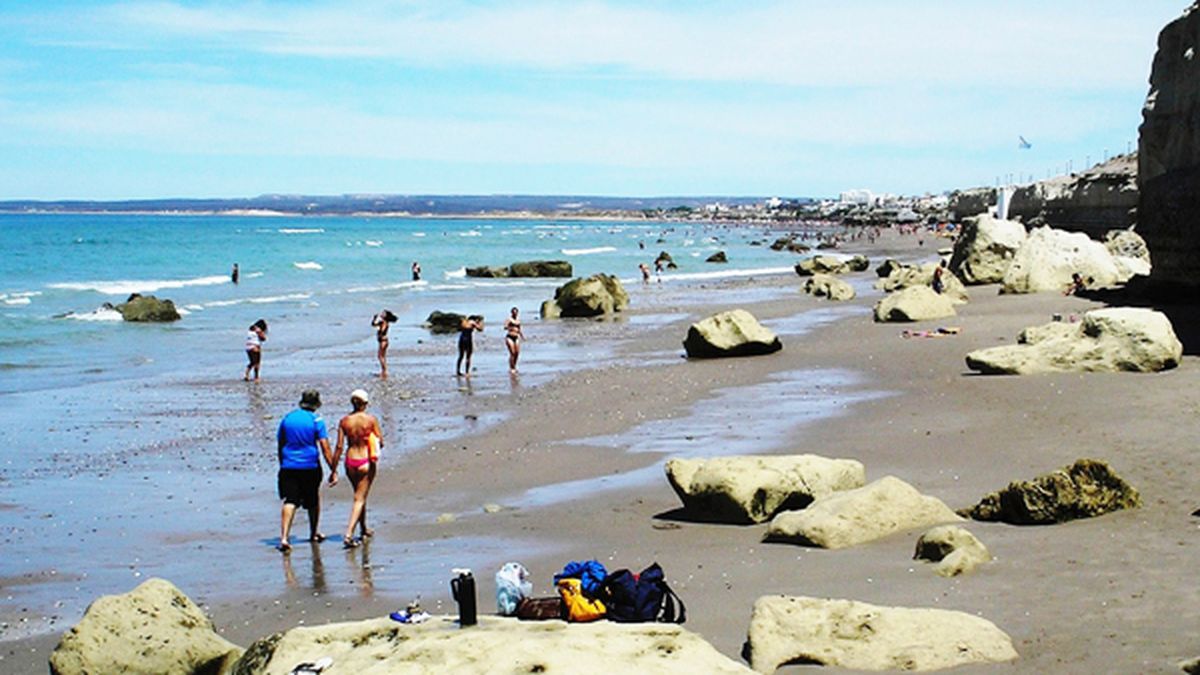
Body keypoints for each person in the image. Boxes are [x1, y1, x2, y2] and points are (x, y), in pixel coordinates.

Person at [277, 390, 336, 553]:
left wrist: (282, 462)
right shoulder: (316, 420)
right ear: (317, 403)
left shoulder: (287, 418)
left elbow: (281, 443)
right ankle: (313, 532)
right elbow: (325, 446)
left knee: (290, 500)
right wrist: (333, 468)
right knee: (313, 499)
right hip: (310, 465)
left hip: (289, 465)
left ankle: (284, 537)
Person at [332, 389, 382, 548]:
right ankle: (349, 534)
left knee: (359, 495)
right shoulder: (370, 420)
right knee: (359, 498)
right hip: (365, 460)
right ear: (365, 404)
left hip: (350, 460)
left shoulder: (344, 421)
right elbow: (380, 441)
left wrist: (333, 468)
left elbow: (339, 446)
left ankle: (364, 528)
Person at [371, 310, 397, 379]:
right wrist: (374, 318)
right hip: (384, 341)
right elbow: (373, 324)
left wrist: (380, 331)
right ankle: (384, 371)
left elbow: (382, 331)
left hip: (383, 341)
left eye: (383, 313)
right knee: (382, 357)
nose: (382, 314)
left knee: (380, 356)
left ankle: (384, 372)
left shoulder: (383, 322)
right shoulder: (383, 322)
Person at [504, 307, 525, 374]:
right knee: (512, 352)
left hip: (516, 337)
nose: (515, 313)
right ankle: (511, 367)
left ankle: (514, 366)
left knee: (517, 353)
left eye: (516, 312)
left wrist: (522, 336)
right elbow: (505, 327)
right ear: (512, 313)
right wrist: (511, 327)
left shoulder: (518, 320)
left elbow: (519, 329)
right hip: (509, 337)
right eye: (514, 312)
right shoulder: (509, 319)